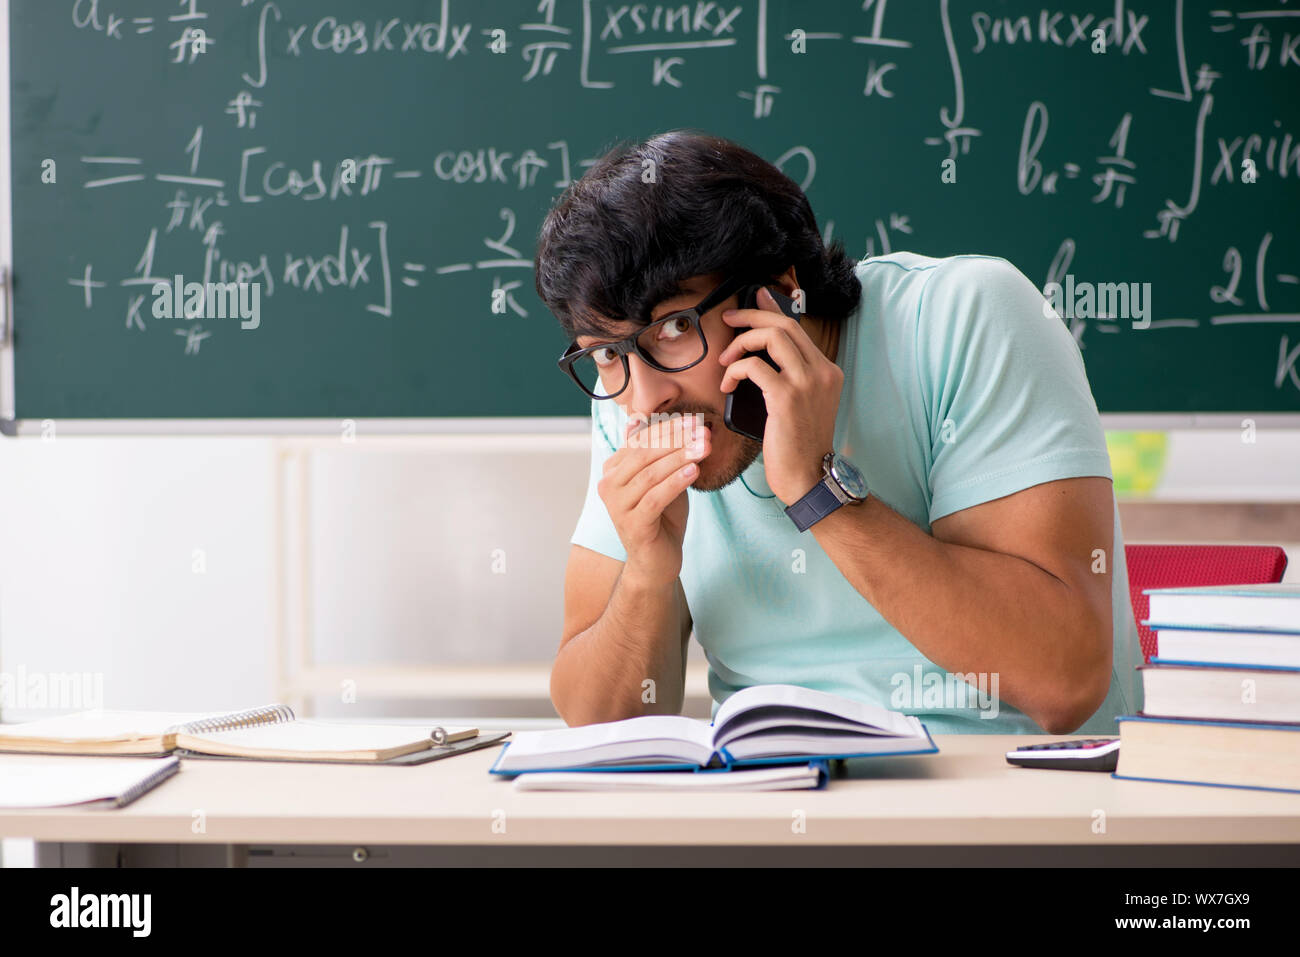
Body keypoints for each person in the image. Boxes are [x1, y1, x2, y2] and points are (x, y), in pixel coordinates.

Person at [535, 130, 1143, 734]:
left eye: (672, 328)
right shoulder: (634, 397)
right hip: (776, 799)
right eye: (607, 354)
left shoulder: (964, 319)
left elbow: (1065, 682)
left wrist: (816, 492)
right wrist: (646, 572)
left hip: (1007, 804)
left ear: (781, 293)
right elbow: (597, 721)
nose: (645, 398)